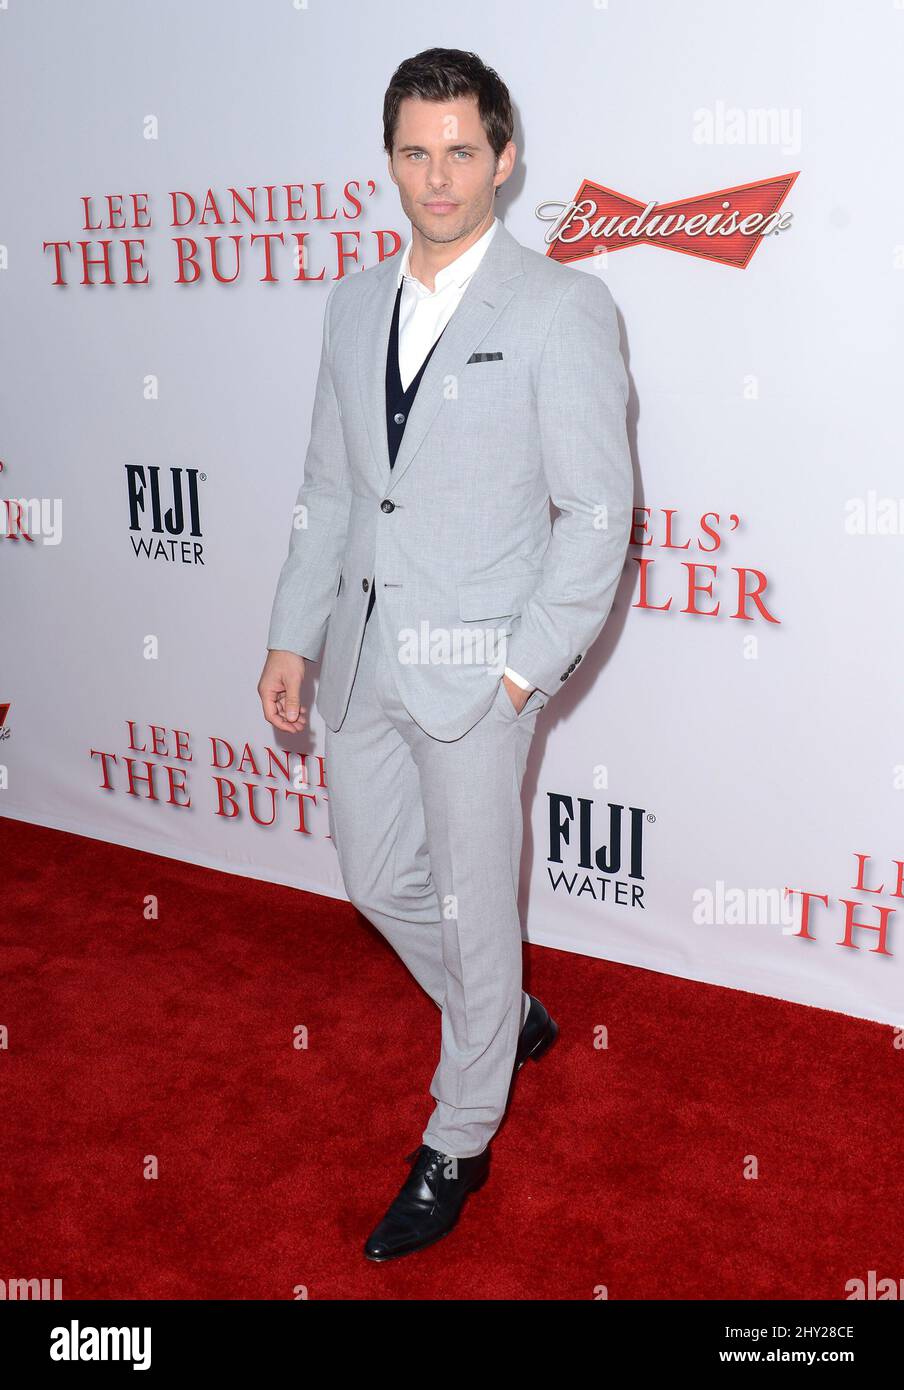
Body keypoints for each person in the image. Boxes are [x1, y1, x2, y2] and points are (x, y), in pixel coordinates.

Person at [258, 47, 633, 1262]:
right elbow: (329, 486)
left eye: (460, 150)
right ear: (390, 159)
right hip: (365, 657)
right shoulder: (352, 303)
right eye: (415, 151)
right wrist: (289, 632)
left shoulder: (561, 307)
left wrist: (523, 670)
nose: (437, 176)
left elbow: (596, 514)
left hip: (482, 673)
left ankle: (458, 1137)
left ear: (503, 157)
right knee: (378, 882)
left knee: (476, 910)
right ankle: (504, 1010)